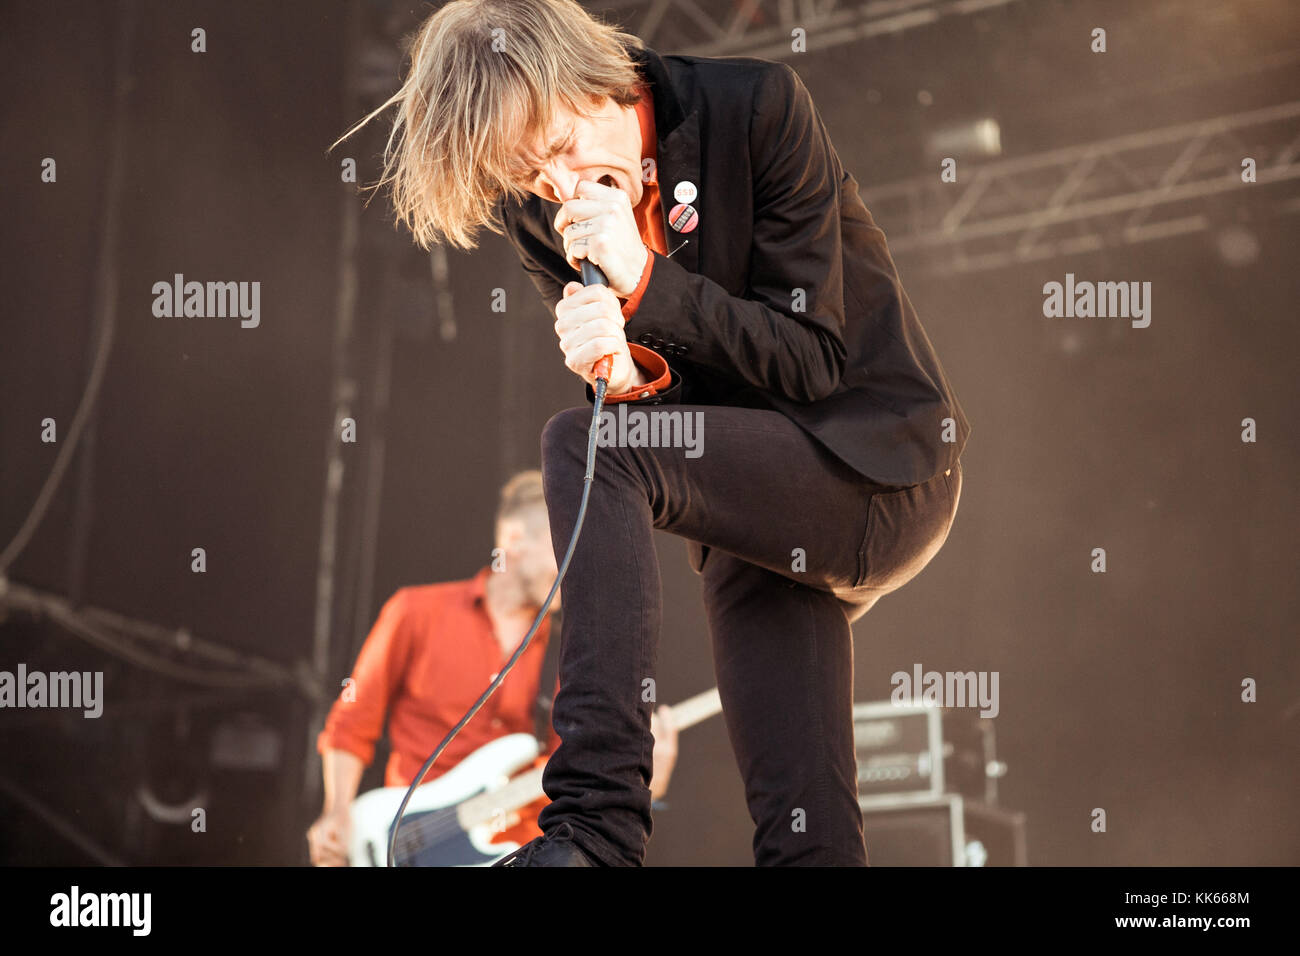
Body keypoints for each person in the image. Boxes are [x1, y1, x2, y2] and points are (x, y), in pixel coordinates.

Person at [346, 0, 970, 866]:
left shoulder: (754, 109)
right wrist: (629, 374)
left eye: (562, 149)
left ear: (585, 76)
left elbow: (813, 361)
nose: (561, 190)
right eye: (533, 178)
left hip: (876, 464)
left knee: (579, 447)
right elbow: (658, 427)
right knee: (804, 828)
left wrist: (647, 280)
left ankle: (596, 828)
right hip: (755, 525)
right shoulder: (545, 220)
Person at [306, 470, 679, 866]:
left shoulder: (572, 653)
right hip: (400, 842)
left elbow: (576, 778)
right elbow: (352, 723)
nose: (573, 568)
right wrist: (337, 812)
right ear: (515, 540)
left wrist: (638, 780)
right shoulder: (414, 611)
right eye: (563, 550)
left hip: (514, 853)